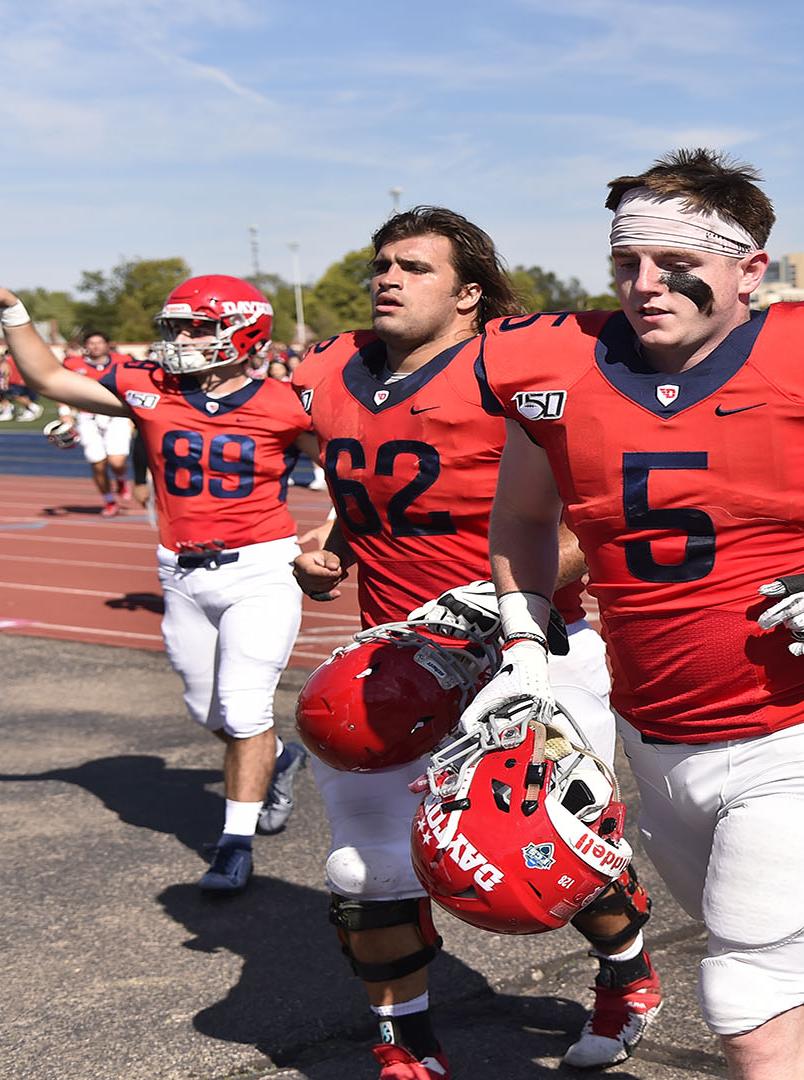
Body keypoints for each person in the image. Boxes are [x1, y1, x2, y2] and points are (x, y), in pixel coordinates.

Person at [472, 148, 804, 1080]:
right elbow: (520, 513)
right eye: (627, 263)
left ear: (750, 270)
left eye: (679, 266)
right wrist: (523, 638)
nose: (646, 286)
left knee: (748, 996)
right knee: (766, 935)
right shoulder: (547, 366)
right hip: (656, 727)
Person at [289, 206, 663, 1076]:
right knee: (363, 868)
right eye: (381, 264)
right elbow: (372, 486)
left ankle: (625, 970)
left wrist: (499, 596)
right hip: (390, 660)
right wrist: (331, 549)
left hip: (525, 652)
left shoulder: (518, 364)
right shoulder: (336, 368)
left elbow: (595, 514)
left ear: (468, 295)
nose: (387, 277)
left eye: (413, 267)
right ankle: (407, 1046)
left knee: (545, 858)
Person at [0, 258, 314, 894]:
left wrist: (331, 537)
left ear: (242, 333)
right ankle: (279, 759)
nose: (178, 343)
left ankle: (234, 842)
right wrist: (11, 308)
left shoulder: (288, 405)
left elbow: (359, 469)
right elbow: (48, 377)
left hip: (261, 568)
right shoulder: (151, 388)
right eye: (175, 329)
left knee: (245, 706)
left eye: (195, 330)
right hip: (180, 572)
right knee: (210, 713)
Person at [60, 331, 139, 517]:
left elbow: (134, 384)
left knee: (116, 460)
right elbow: (60, 387)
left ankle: (120, 478)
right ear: (85, 346)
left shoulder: (123, 360)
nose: (95, 346)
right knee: (98, 463)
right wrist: (65, 413)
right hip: (88, 417)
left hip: (116, 414)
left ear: (107, 345)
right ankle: (109, 500)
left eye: (99, 342)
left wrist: (132, 416)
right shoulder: (73, 364)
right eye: (91, 343)